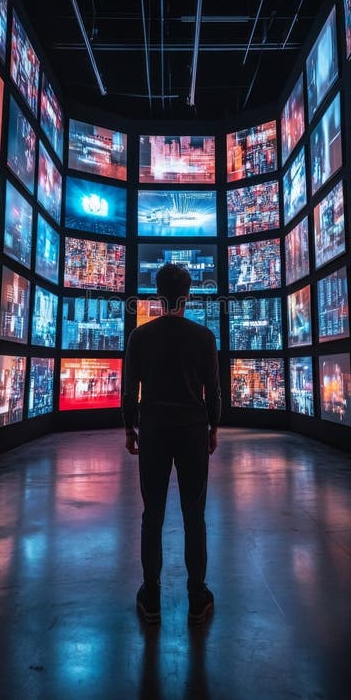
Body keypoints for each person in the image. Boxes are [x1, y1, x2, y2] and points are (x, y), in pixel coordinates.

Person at [122, 263, 221, 625]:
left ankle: (151, 595)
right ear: (189, 294)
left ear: (157, 296)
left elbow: (130, 389)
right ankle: (197, 596)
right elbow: (214, 391)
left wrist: (129, 428)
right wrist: (213, 427)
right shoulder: (204, 337)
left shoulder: (140, 338)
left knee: (153, 515)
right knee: (194, 516)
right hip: (193, 430)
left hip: (154, 431)